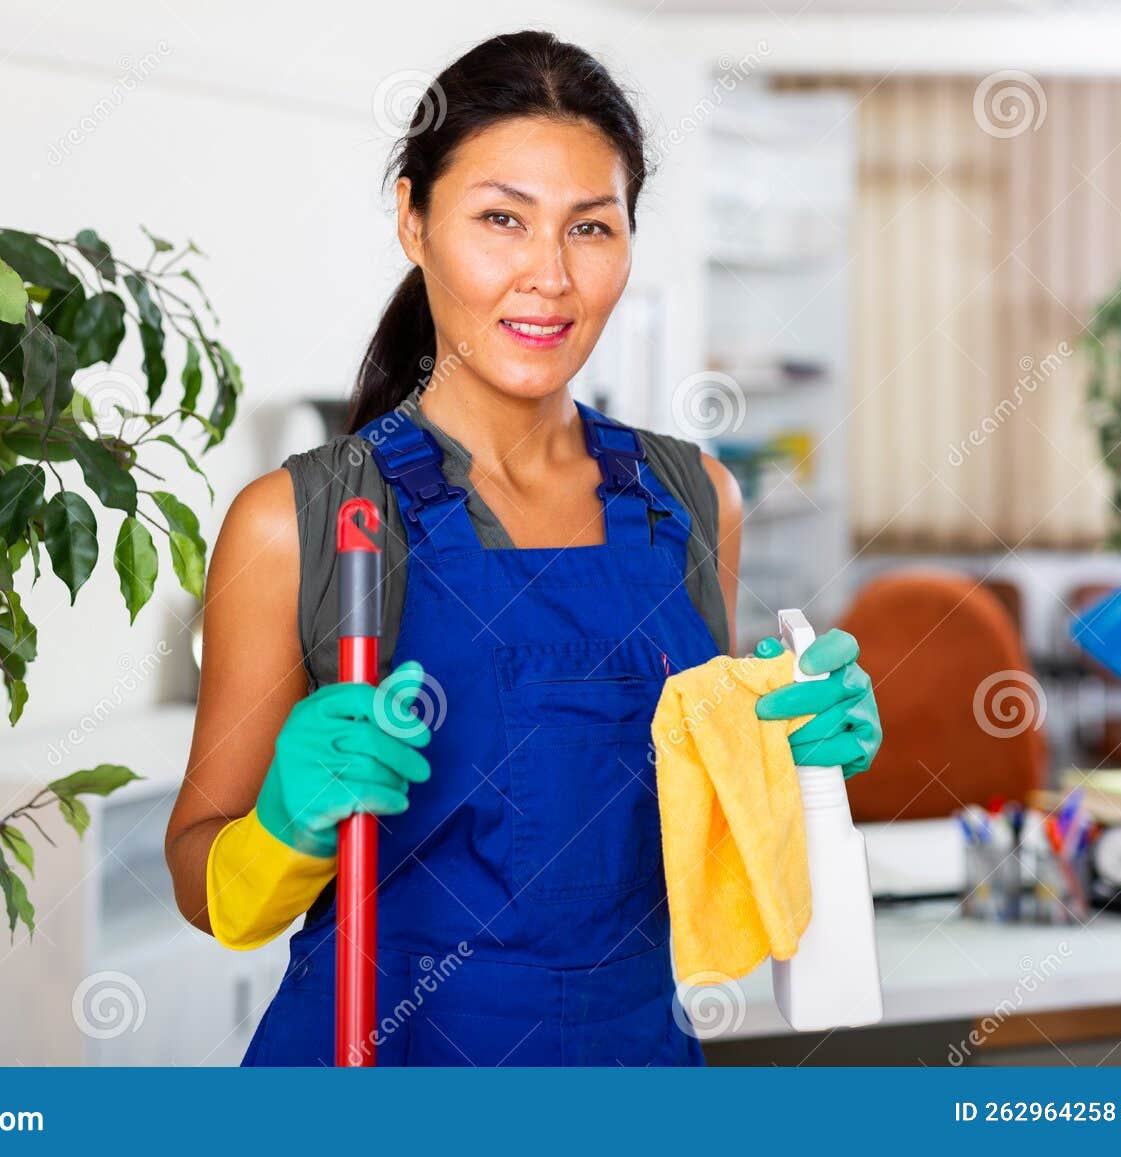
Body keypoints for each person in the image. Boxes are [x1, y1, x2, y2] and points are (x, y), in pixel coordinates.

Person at [164, 28, 882, 1067]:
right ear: (413, 220)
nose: (548, 276)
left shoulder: (693, 498)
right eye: (501, 219)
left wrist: (788, 757)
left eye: (590, 227)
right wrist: (287, 821)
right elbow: (200, 883)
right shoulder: (300, 519)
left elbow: (693, 816)